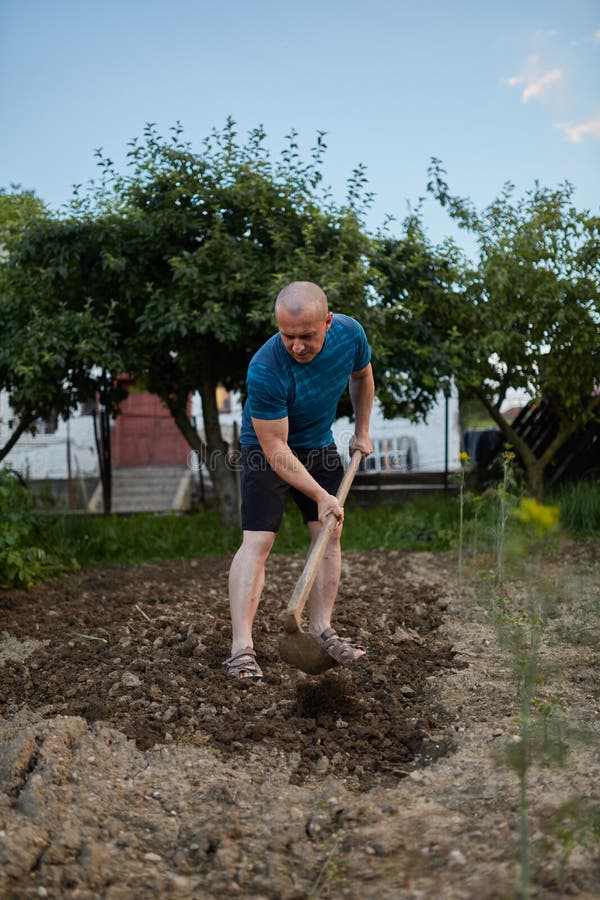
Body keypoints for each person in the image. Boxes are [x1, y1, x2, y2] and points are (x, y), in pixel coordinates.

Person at [224, 280, 374, 681]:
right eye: (287, 335)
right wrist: (322, 495)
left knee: (329, 533)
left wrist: (362, 430)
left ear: (328, 322)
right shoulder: (265, 367)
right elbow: (276, 449)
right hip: (266, 447)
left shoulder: (350, 334)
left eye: (306, 335)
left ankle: (322, 630)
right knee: (258, 540)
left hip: (318, 443)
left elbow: (362, 375)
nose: (297, 346)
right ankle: (241, 649)